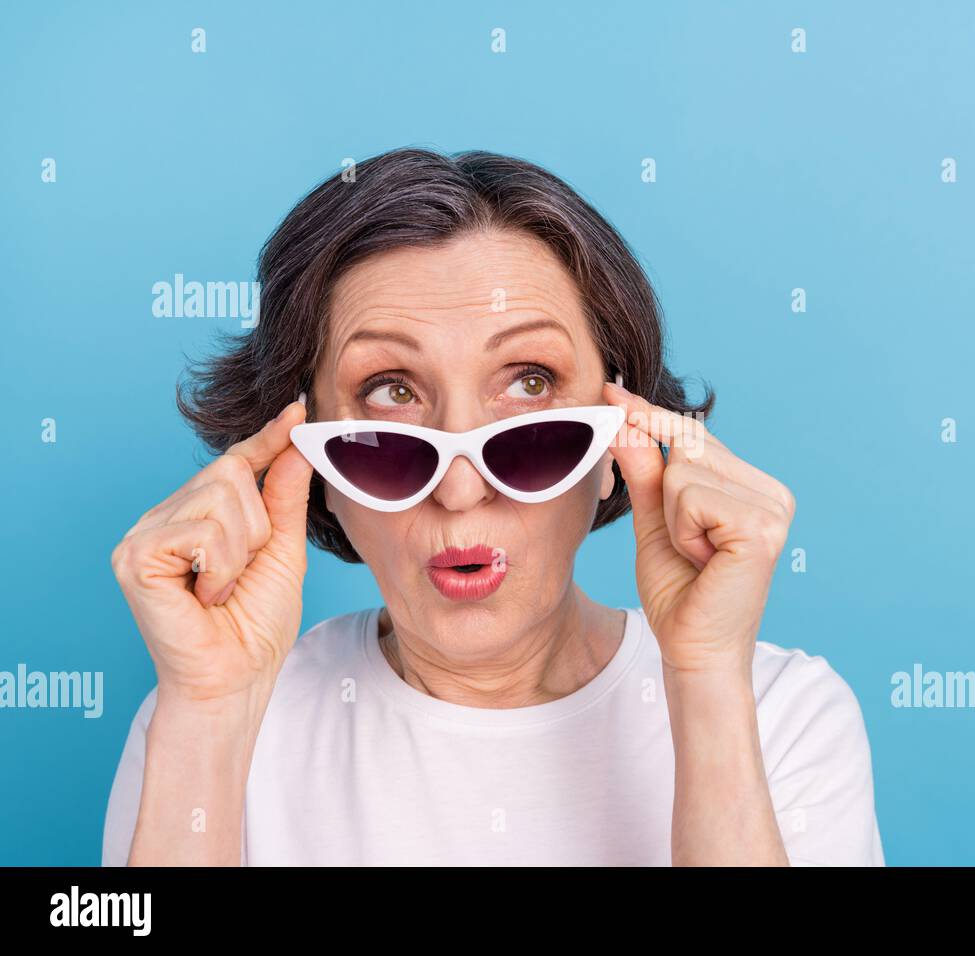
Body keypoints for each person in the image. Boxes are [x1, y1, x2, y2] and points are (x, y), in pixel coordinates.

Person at [103, 147, 885, 866]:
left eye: (530, 384)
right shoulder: (208, 719)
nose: (462, 484)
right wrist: (208, 718)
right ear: (311, 470)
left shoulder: (782, 715)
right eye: (392, 392)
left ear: (619, 445)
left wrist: (708, 679)